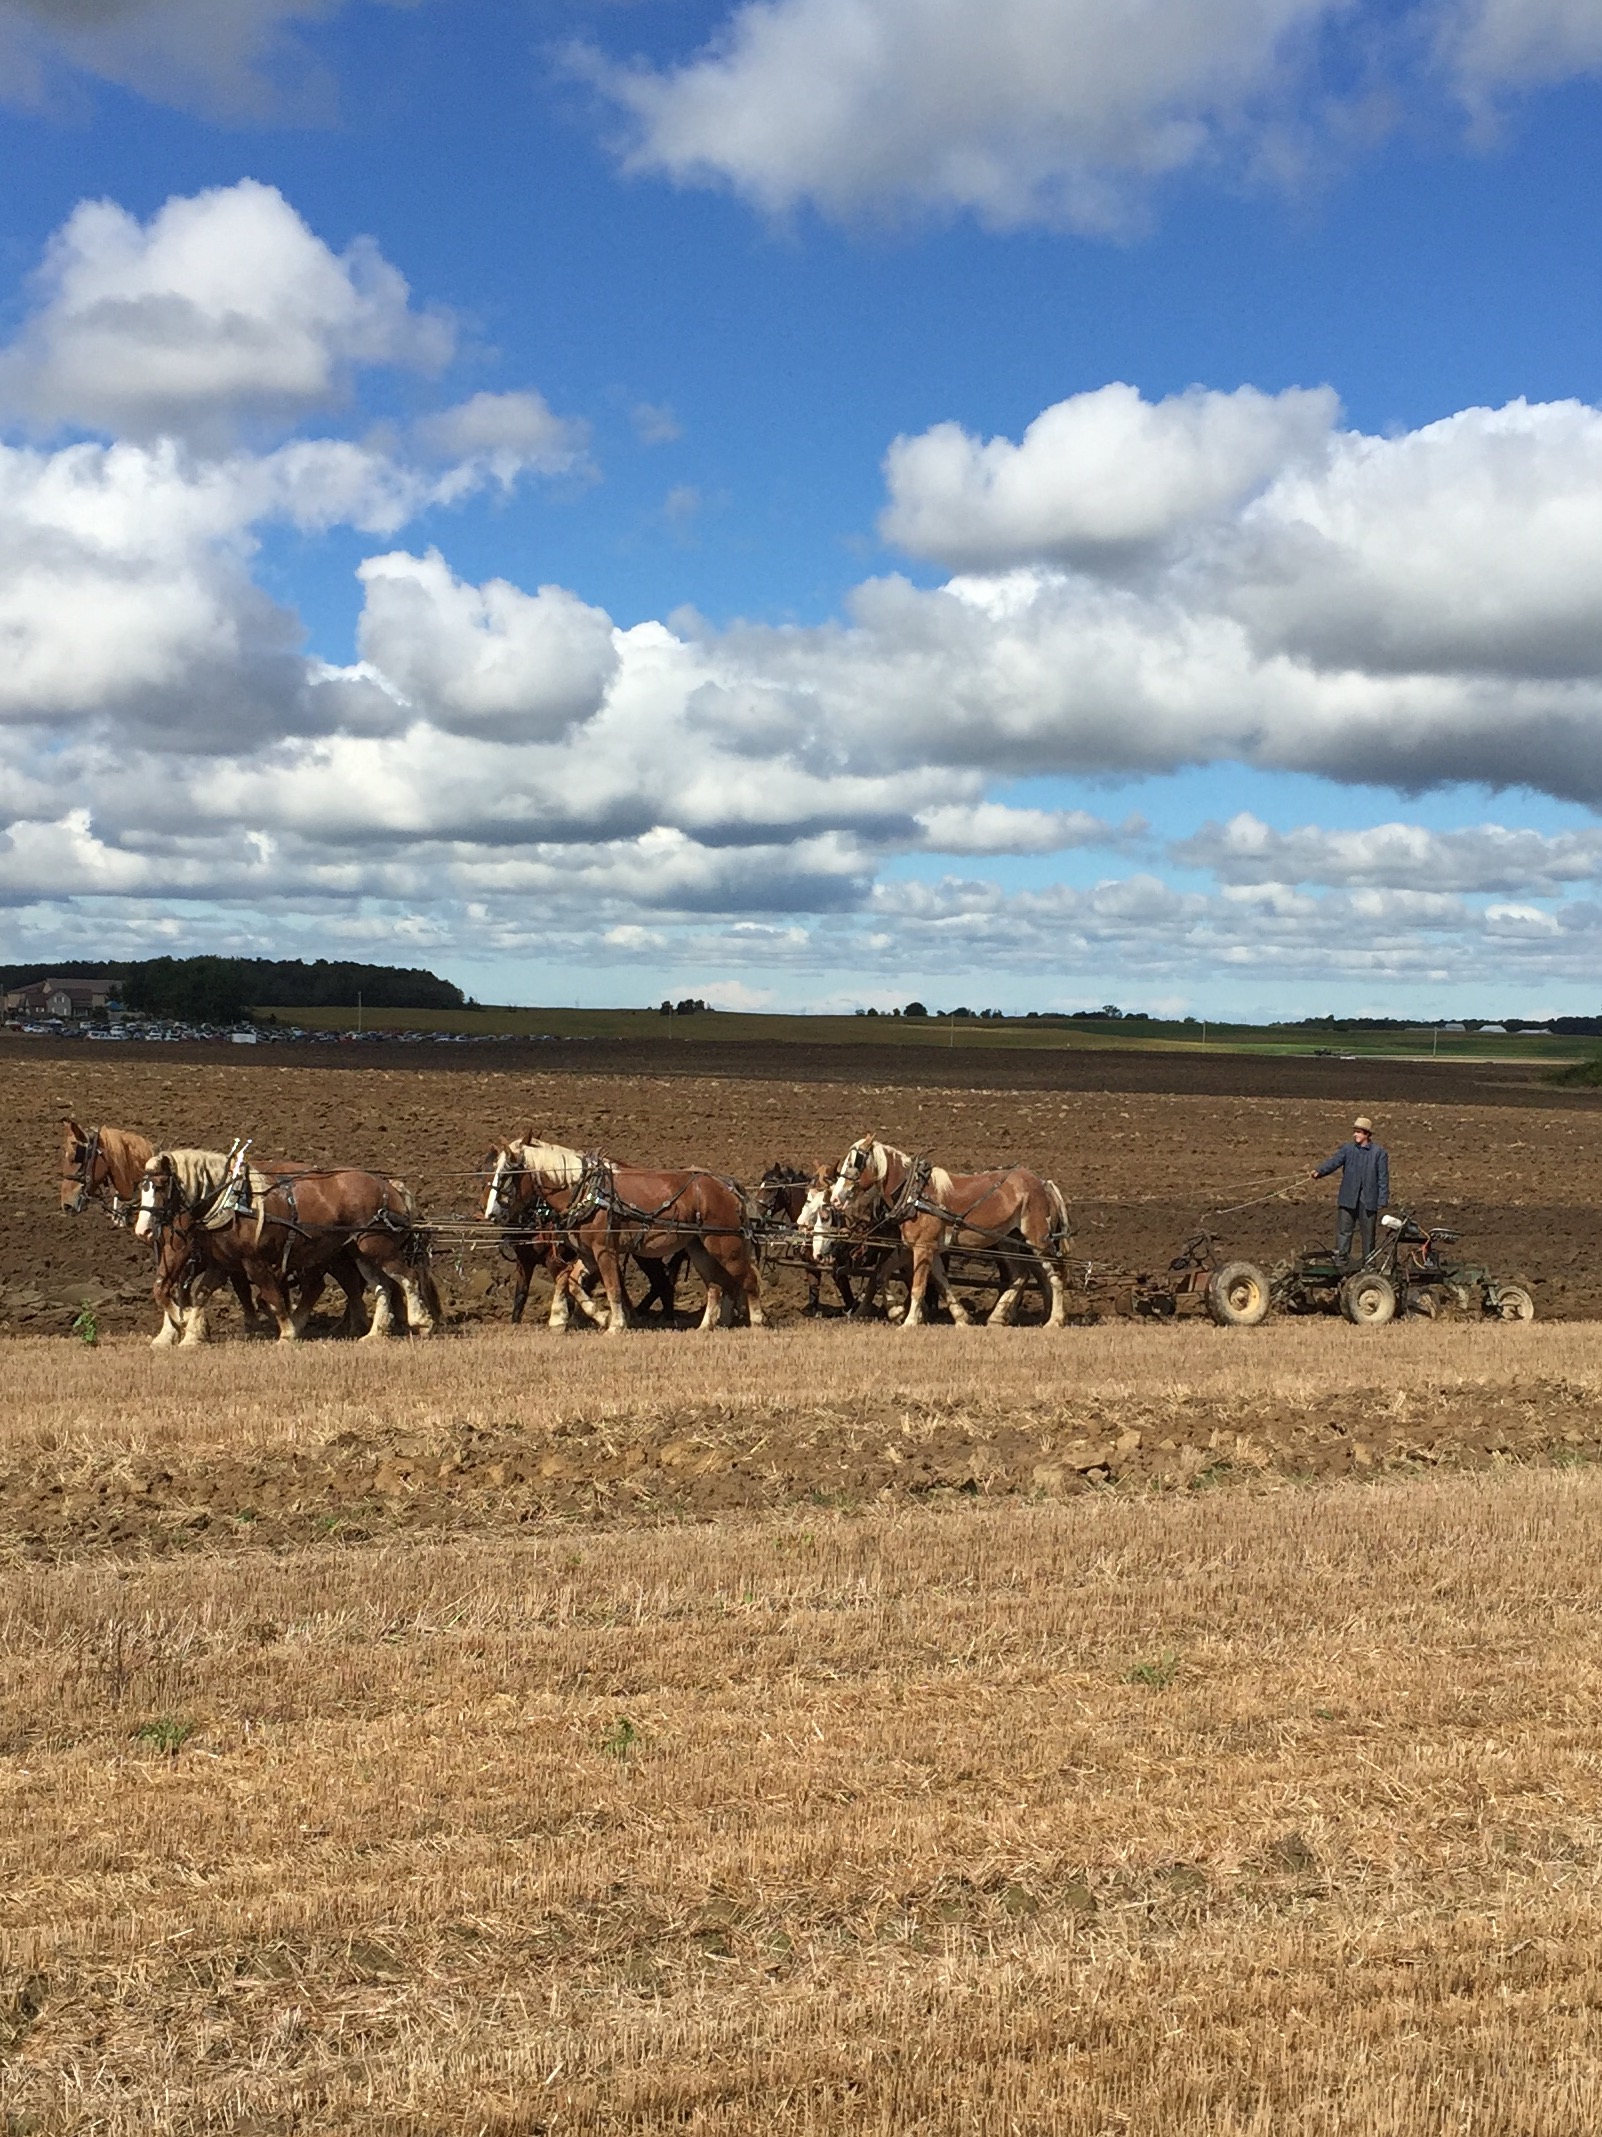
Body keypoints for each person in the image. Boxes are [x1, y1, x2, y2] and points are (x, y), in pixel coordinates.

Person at [1311, 1116, 1390, 1269]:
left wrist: (1382, 1199)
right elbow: (1334, 1162)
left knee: (1368, 1234)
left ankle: (1369, 1263)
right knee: (1344, 1231)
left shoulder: (1379, 1153)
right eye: (1355, 1132)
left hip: (1368, 1200)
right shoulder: (1347, 1149)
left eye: (1358, 1132)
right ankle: (1341, 1260)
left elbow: (1383, 1178)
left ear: (1366, 1134)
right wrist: (1320, 1171)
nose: (1355, 1135)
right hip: (1348, 1198)